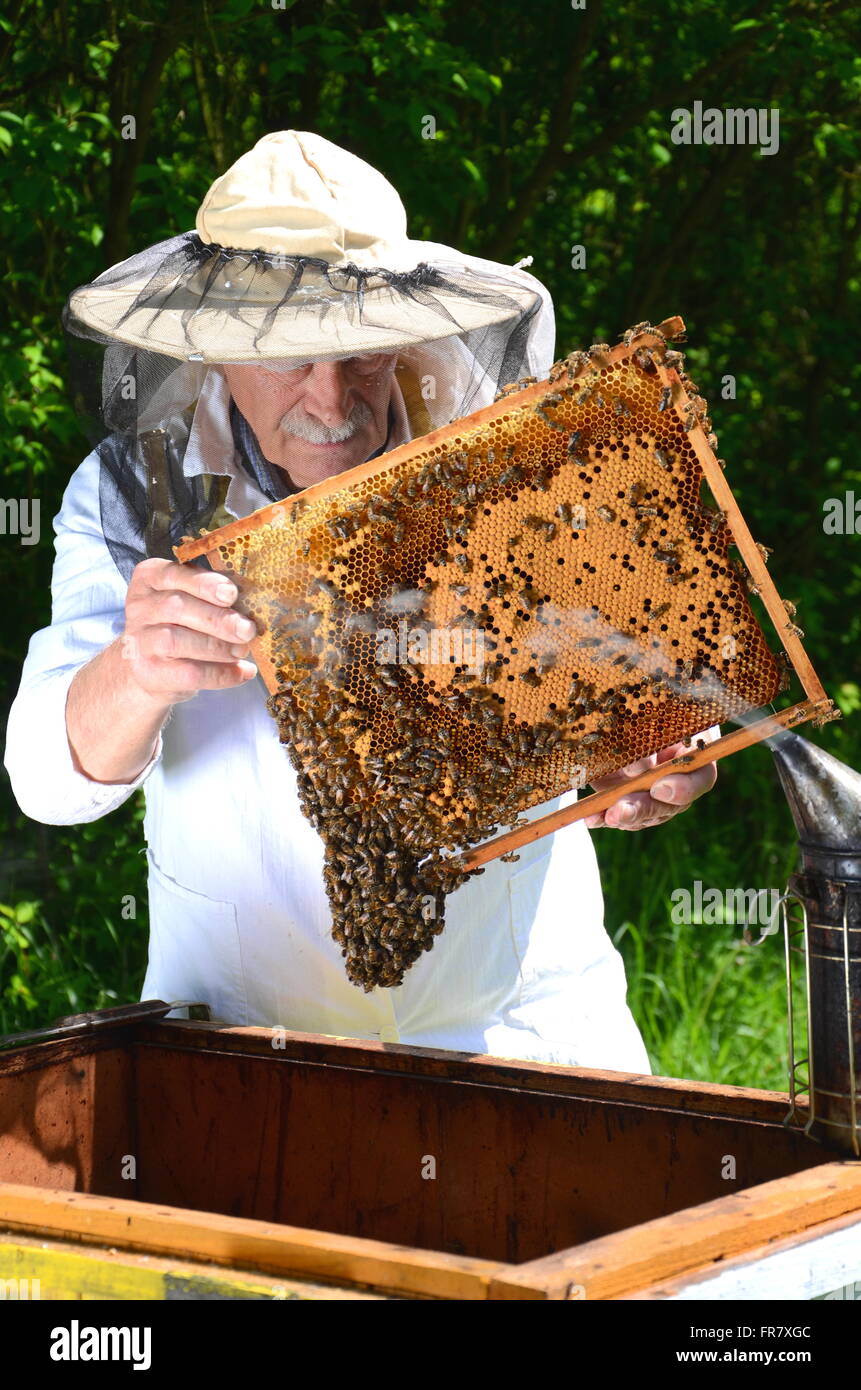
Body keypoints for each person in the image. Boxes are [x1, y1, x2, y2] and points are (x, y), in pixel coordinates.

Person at [4, 131, 718, 1070]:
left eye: (359, 353)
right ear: (215, 350)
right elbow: (48, 786)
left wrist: (661, 763)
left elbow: (639, 714)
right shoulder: (132, 492)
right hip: (245, 1048)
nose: (332, 399)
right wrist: (137, 674)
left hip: (521, 1035)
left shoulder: (519, 466)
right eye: (289, 359)